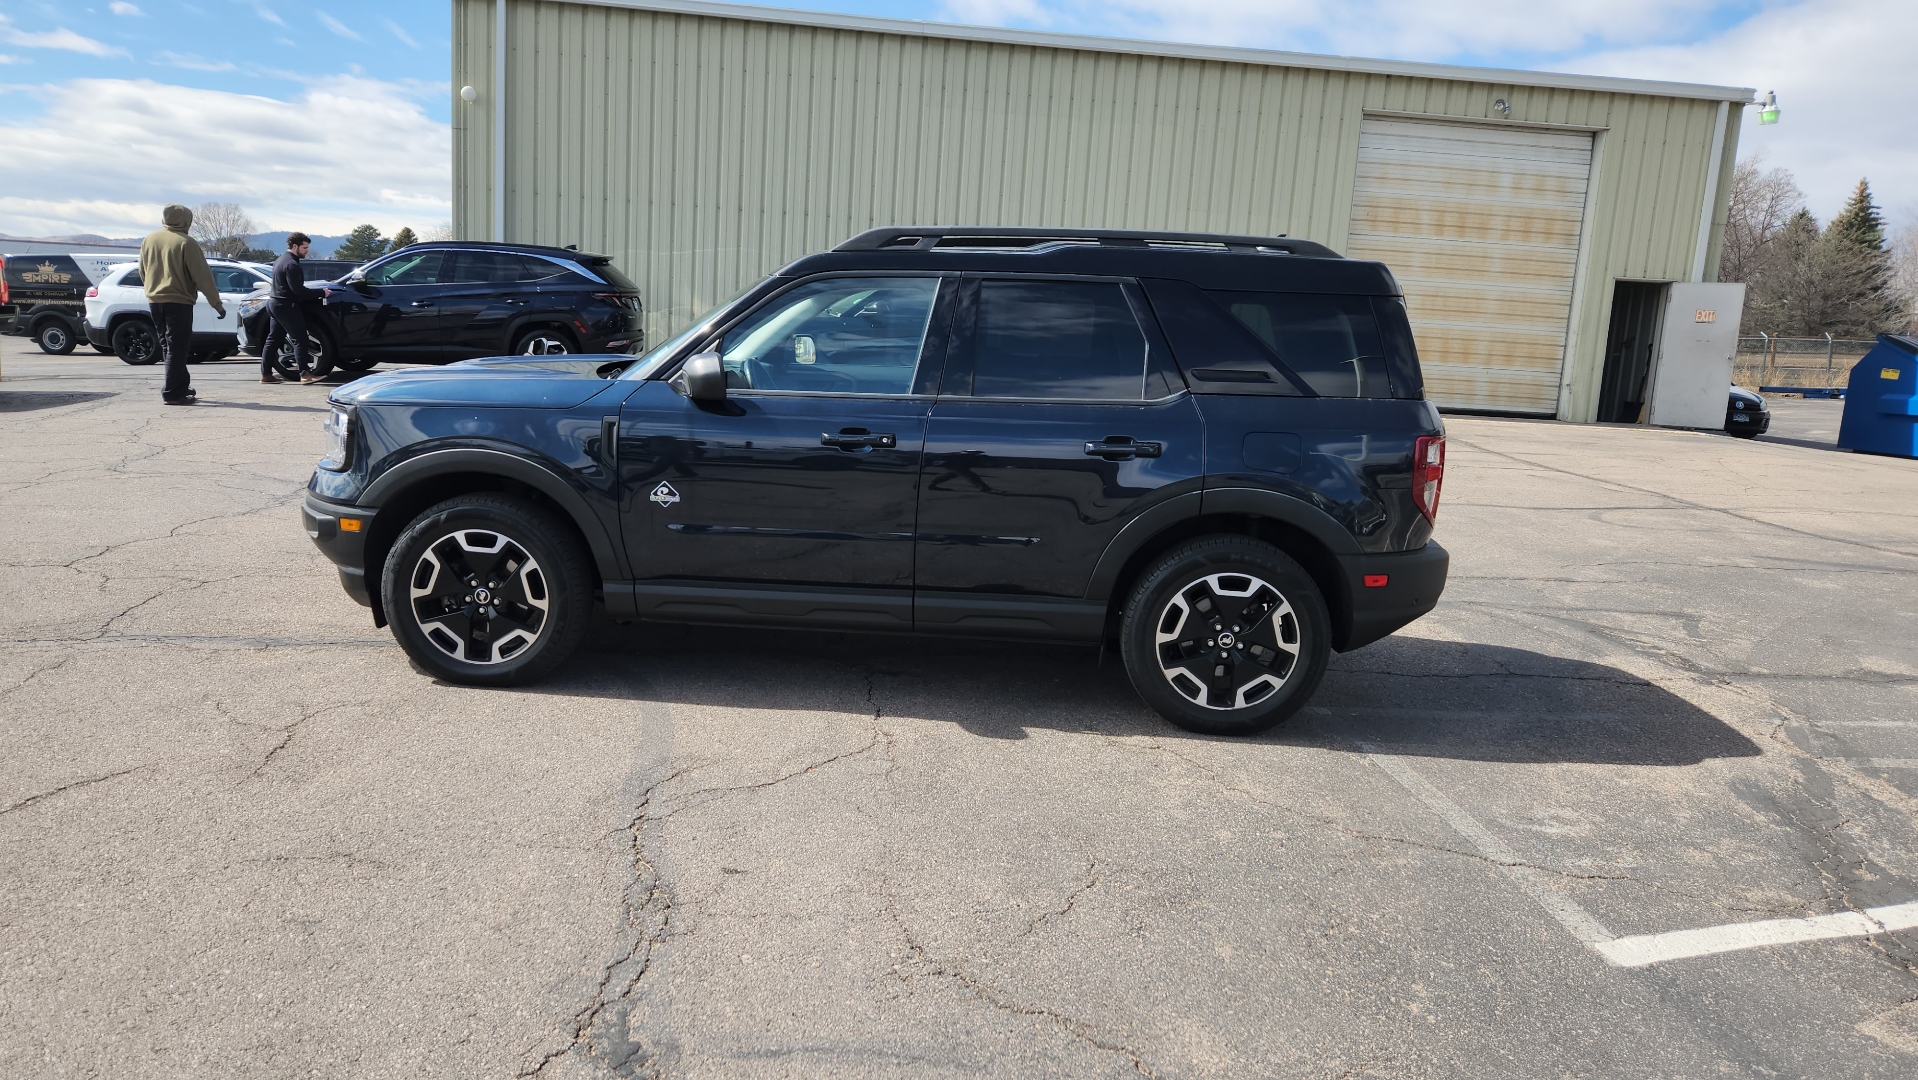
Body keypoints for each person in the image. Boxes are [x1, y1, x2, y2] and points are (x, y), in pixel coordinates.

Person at [138, 204, 226, 405]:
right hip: (178, 301)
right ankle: (171, 392)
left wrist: (152, 289)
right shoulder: (187, 243)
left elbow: (142, 270)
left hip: (154, 299)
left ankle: (180, 385)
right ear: (186, 220)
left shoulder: (149, 240)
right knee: (178, 347)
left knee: (167, 345)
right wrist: (217, 304)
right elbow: (202, 276)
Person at [261, 232, 326, 385]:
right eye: (304, 248)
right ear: (295, 246)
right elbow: (298, 291)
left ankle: (266, 374)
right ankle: (305, 374)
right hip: (286, 306)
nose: (307, 251)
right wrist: (321, 293)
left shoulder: (280, 260)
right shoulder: (292, 264)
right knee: (300, 338)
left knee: (273, 339)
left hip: (274, 304)